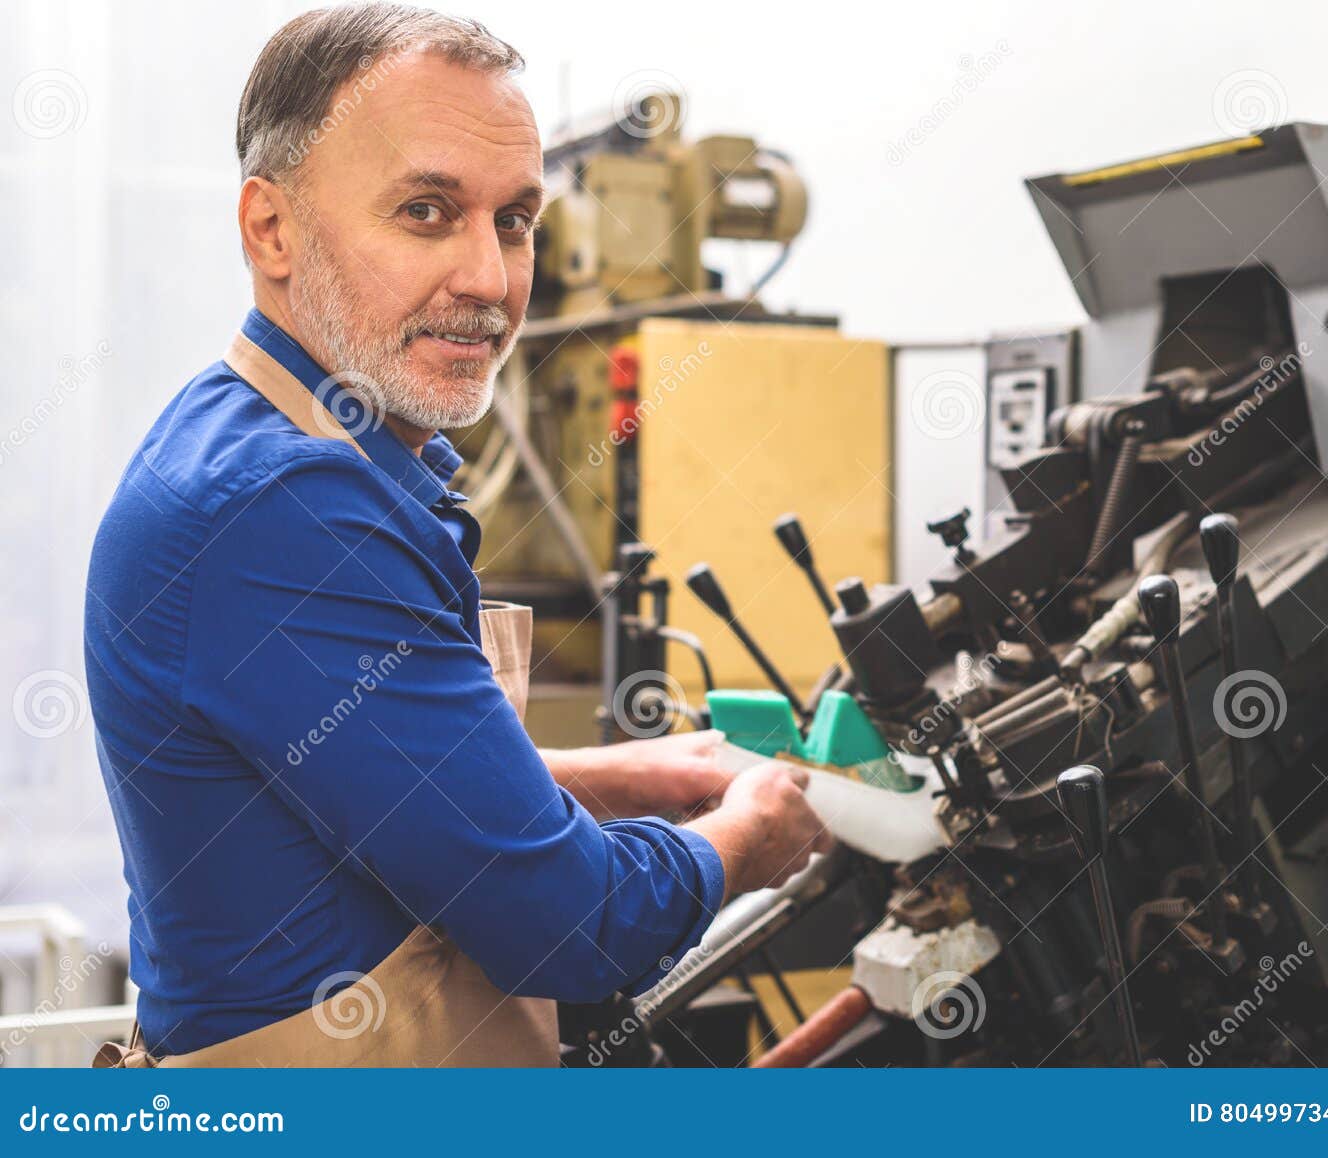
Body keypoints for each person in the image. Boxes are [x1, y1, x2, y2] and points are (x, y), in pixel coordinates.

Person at [84, 2, 830, 1067]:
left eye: (514, 219)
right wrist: (746, 836)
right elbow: (573, 927)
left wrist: (622, 778)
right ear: (272, 229)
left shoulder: (248, 437)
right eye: (427, 211)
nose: (490, 279)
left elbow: (362, 783)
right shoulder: (290, 507)